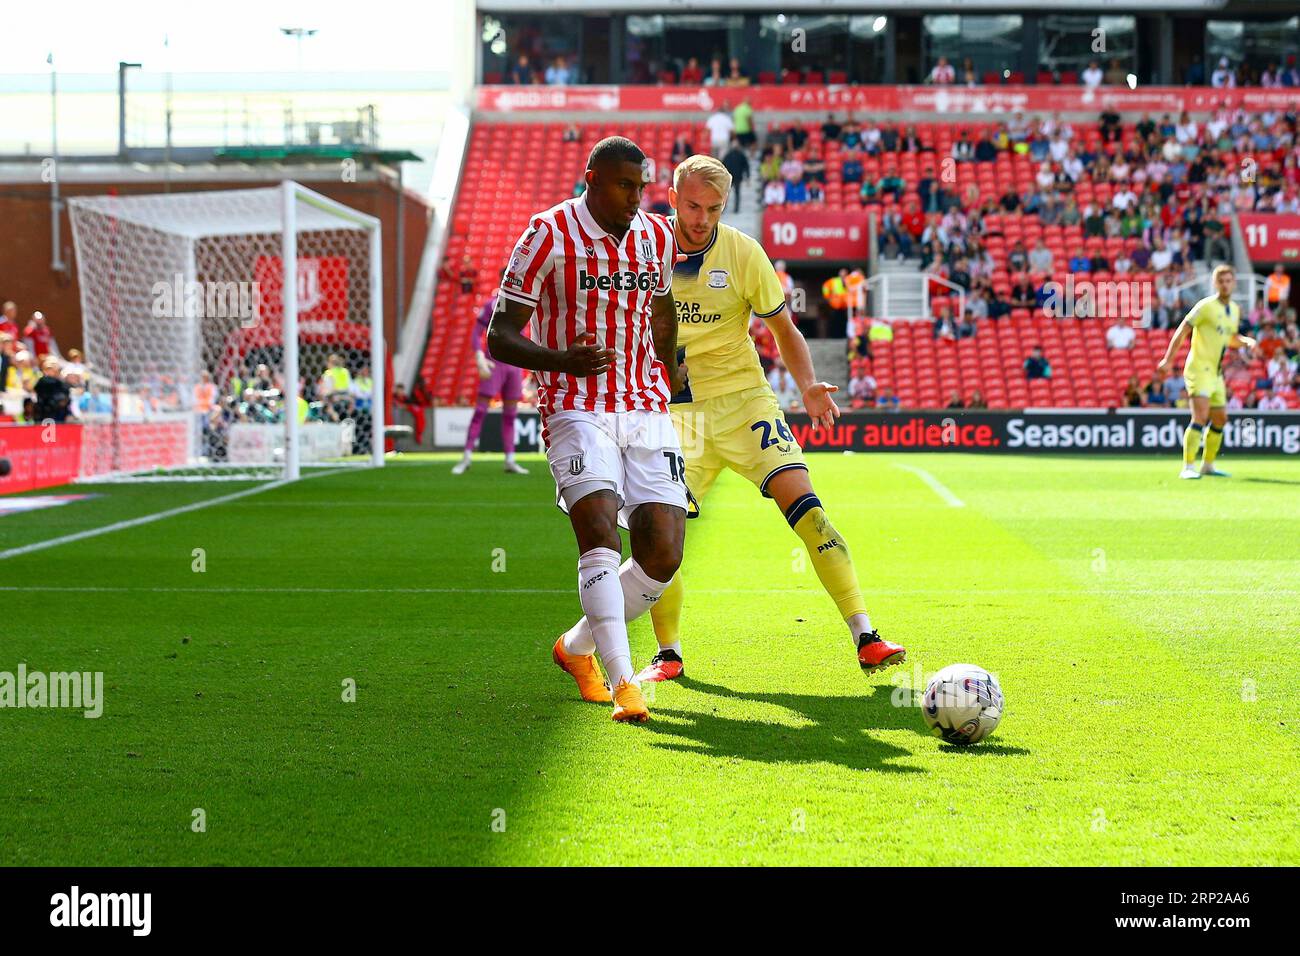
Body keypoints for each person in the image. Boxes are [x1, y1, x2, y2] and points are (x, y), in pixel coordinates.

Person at [621, 153, 904, 685]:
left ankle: (865, 636)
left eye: (714, 208)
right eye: (692, 206)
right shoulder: (645, 247)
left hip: (746, 401)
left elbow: (783, 327)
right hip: (677, 411)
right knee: (660, 539)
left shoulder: (744, 253)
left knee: (810, 511)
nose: (702, 218)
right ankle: (668, 653)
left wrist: (808, 387)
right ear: (673, 198)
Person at [487, 136, 686, 723]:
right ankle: (625, 682)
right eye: (624, 186)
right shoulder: (547, 233)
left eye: (641, 187)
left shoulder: (656, 235)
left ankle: (576, 649)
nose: (635, 199)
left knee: (663, 553)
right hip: (575, 403)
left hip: (645, 405)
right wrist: (560, 360)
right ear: (592, 178)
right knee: (600, 532)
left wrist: (670, 376)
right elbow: (500, 334)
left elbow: (663, 309)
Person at [1156, 265, 1257, 479]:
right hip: (1199, 368)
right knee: (1200, 416)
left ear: (1234, 283)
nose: (1225, 284)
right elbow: (1184, 328)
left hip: (1216, 373)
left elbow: (1230, 338)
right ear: (1215, 283)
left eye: (1229, 280)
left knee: (1220, 418)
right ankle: (1188, 467)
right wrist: (1168, 359)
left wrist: (1246, 341)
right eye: (1221, 281)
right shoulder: (1205, 306)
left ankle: (1208, 465)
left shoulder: (1235, 310)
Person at [453, 284, 529, 475]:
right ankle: (466, 456)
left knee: (511, 415)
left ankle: (510, 459)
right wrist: (479, 356)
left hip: (514, 364)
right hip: (494, 362)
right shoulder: (493, 304)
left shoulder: (524, 303)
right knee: (480, 410)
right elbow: (475, 333)